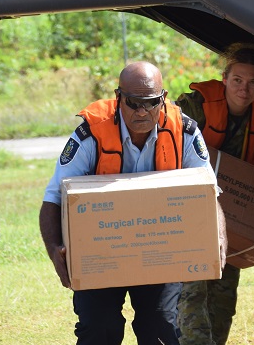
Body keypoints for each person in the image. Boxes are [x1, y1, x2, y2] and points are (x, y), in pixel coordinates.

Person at [39, 61, 227, 345]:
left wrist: (220, 238)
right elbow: (53, 197)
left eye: (150, 103)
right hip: (100, 253)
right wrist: (54, 249)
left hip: (160, 250)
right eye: (133, 102)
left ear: (162, 99)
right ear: (119, 98)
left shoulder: (184, 132)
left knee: (162, 328)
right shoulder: (90, 134)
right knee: (99, 329)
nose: (142, 111)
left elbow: (208, 193)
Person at [174, 42, 254, 344]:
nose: (244, 90)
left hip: (233, 220)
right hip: (190, 213)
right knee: (193, 294)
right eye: (237, 80)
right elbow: (168, 155)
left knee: (223, 299)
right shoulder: (194, 106)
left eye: (252, 83)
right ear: (224, 77)